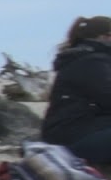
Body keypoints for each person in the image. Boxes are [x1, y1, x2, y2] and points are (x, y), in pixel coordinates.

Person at [41, 16, 111, 165]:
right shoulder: (92, 62)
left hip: (67, 133)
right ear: (104, 37)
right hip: (70, 139)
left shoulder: (87, 58)